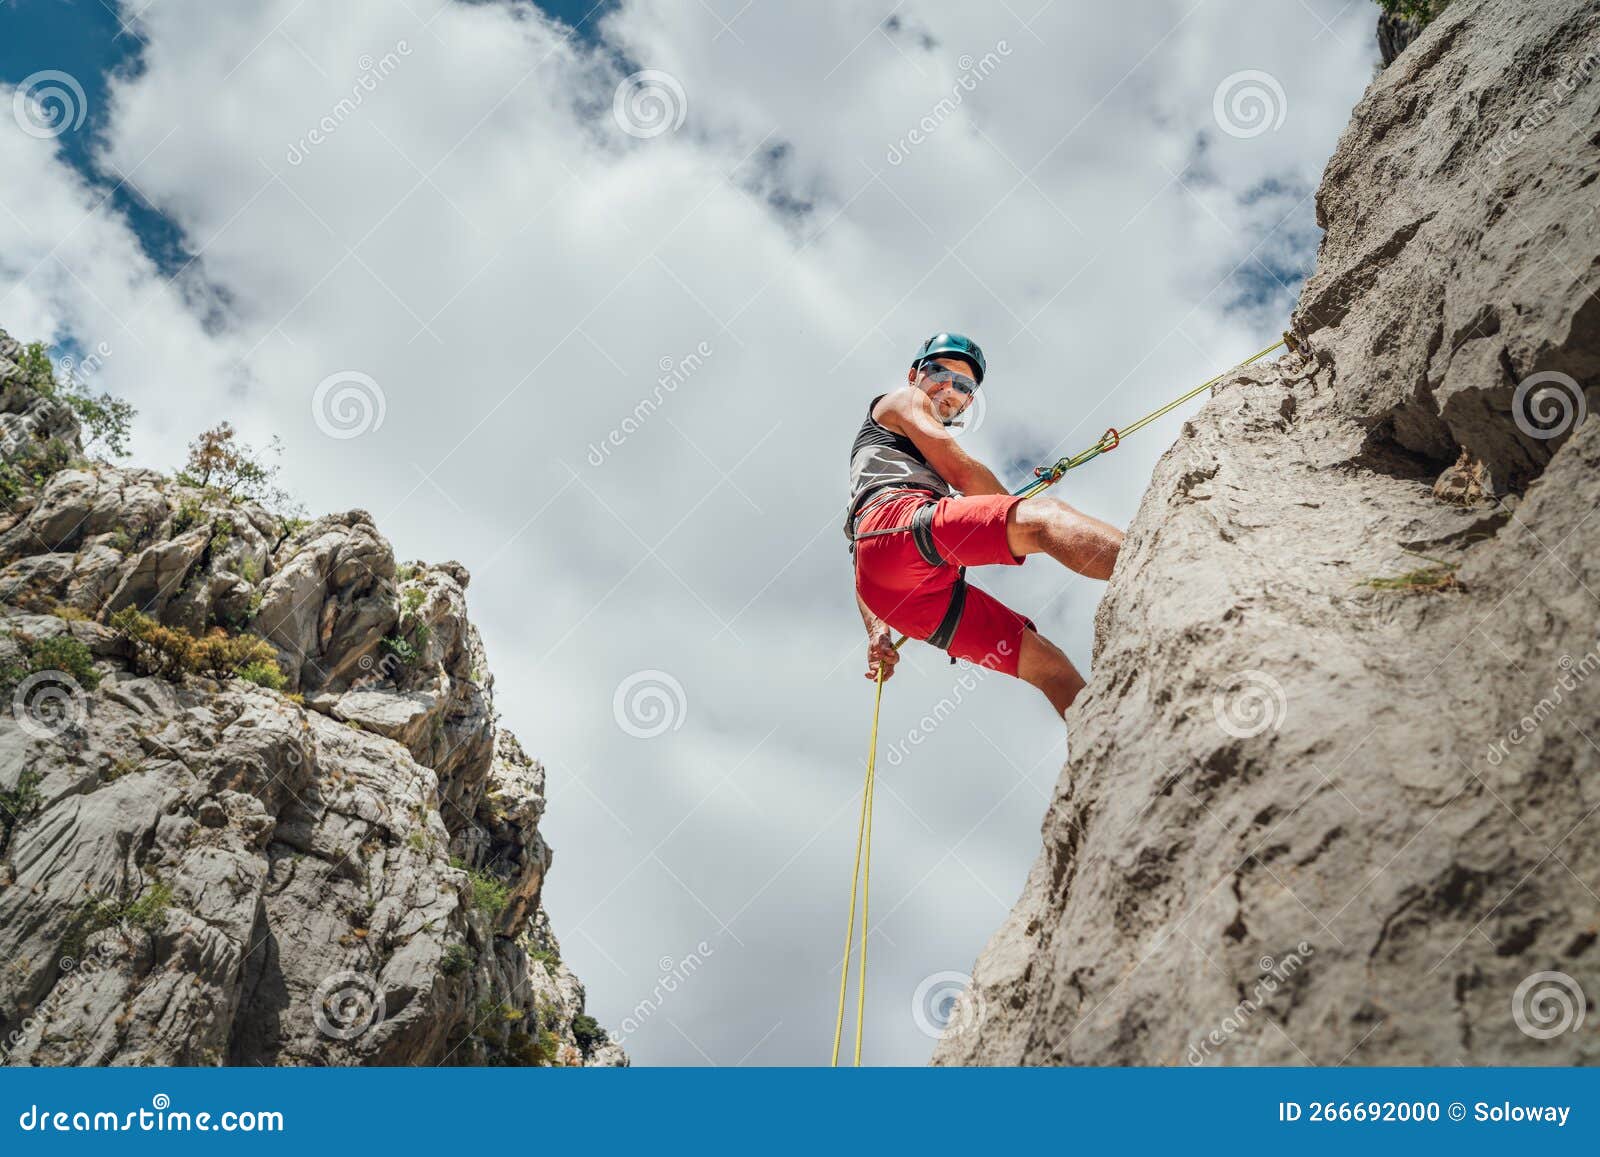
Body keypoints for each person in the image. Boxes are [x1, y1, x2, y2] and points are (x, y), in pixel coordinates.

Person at [845, 333, 1124, 718]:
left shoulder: (888, 461)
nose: (948, 387)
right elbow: (961, 473)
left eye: (963, 385)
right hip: (901, 526)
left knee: (1047, 664)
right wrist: (1017, 509)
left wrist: (878, 631)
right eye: (937, 372)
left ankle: (1102, 736)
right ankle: (1156, 565)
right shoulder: (904, 400)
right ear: (913, 376)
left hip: (894, 586)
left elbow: (865, 555)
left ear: (969, 401)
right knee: (1044, 520)